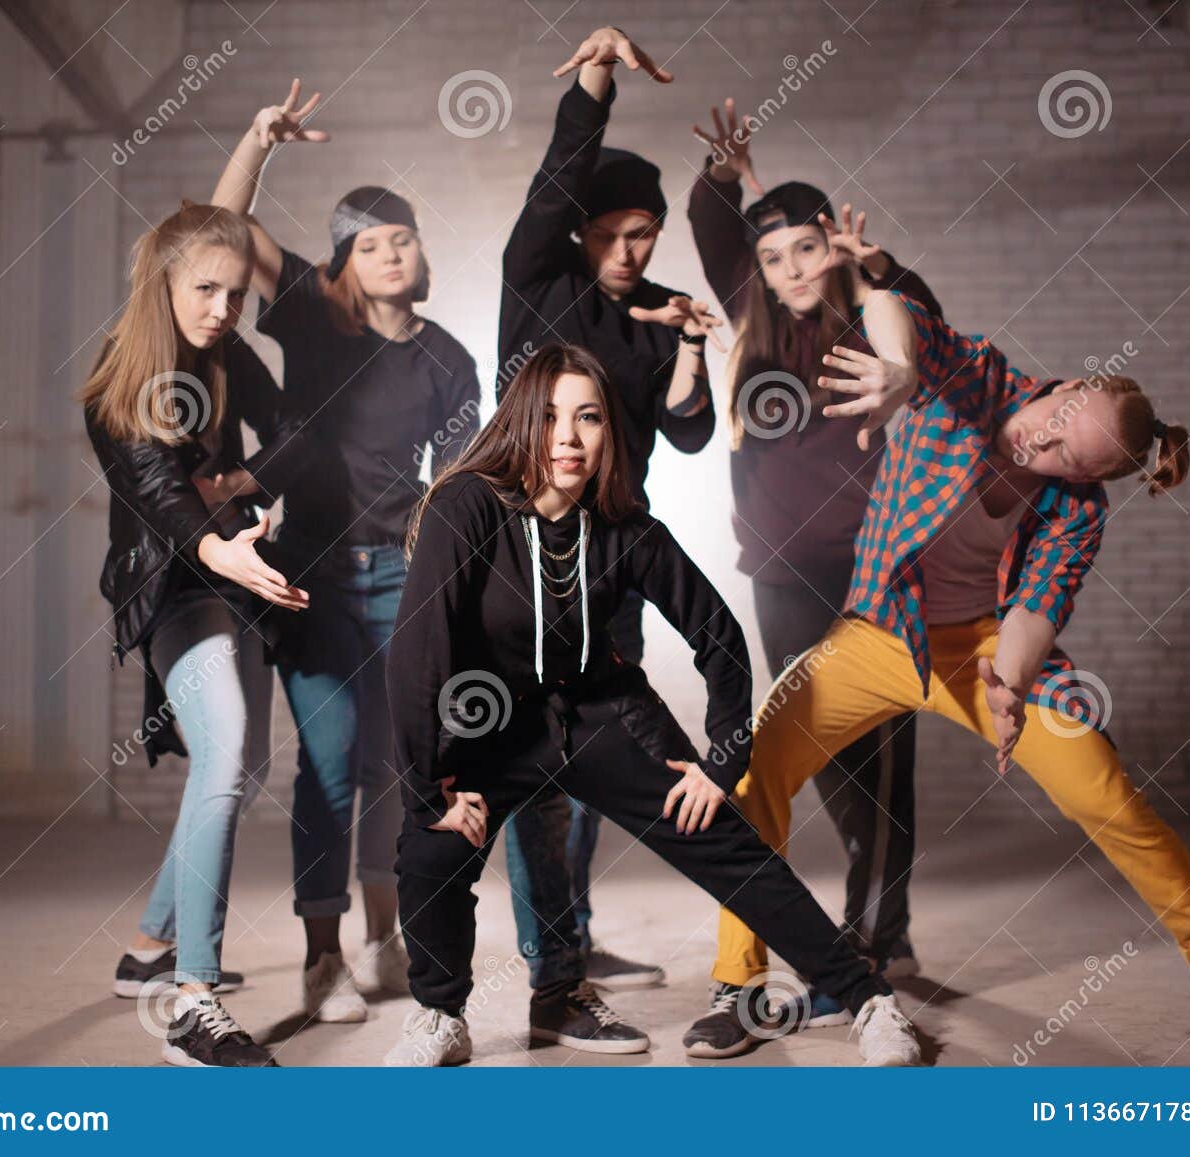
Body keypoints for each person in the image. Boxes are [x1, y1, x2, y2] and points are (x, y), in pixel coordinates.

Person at [686, 288, 1190, 1058]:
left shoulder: (1077, 510)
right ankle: (738, 982)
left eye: (1068, 460)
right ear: (1060, 387)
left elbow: (1035, 607)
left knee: (1103, 788)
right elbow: (893, 302)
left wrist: (1011, 683)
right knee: (756, 769)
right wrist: (895, 367)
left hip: (983, 650)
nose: (1042, 450)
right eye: (1054, 427)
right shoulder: (977, 380)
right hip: (877, 634)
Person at [382, 343, 921, 1067]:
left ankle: (868, 1002)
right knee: (430, 849)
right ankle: (440, 1014)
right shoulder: (467, 505)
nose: (568, 438)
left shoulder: (625, 527)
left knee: (729, 845)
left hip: (605, 716)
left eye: (588, 418)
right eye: (548, 417)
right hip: (490, 726)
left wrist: (722, 760)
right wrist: (428, 788)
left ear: (610, 432)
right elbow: (421, 652)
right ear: (520, 423)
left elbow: (719, 635)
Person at [210, 80, 482, 1022]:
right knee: (328, 768)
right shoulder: (312, 322)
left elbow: (456, 486)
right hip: (315, 579)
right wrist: (259, 139)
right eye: (369, 243)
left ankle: (382, 940)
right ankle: (321, 958)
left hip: (406, 582)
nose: (391, 252)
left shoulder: (449, 358)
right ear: (344, 263)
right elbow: (222, 230)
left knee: (393, 769)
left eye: (401, 236)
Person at [687, 97, 945, 1026]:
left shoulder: (869, 317)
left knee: (888, 756)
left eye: (807, 248)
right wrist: (732, 177)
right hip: (781, 573)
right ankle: (869, 924)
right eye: (773, 256)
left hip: (877, 569)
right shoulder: (754, 318)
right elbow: (714, 226)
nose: (790, 268)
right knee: (819, 749)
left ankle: (878, 931)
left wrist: (870, 264)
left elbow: (918, 310)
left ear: (832, 246)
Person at [495, 26, 722, 1016]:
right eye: (613, 234)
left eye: (646, 234)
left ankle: (572, 936)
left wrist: (692, 350)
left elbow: (690, 435)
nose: (632, 252)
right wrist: (596, 80)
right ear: (580, 235)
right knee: (538, 768)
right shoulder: (535, 284)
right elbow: (556, 178)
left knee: (592, 760)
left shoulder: (662, 306)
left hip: (614, 560)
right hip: (522, 557)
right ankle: (553, 966)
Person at [85, 202, 312, 1066]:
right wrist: (218, 537)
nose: (222, 307)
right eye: (204, 288)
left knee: (249, 765)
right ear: (165, 283)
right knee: (223, 758)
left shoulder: (224, 354)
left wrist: (246, 478)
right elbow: (156, 490)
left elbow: (298, 426)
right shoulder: (122, 375)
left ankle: (148, 945)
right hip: (172, 586)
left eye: (234, 291)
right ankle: (192, 997)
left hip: (231, 575)